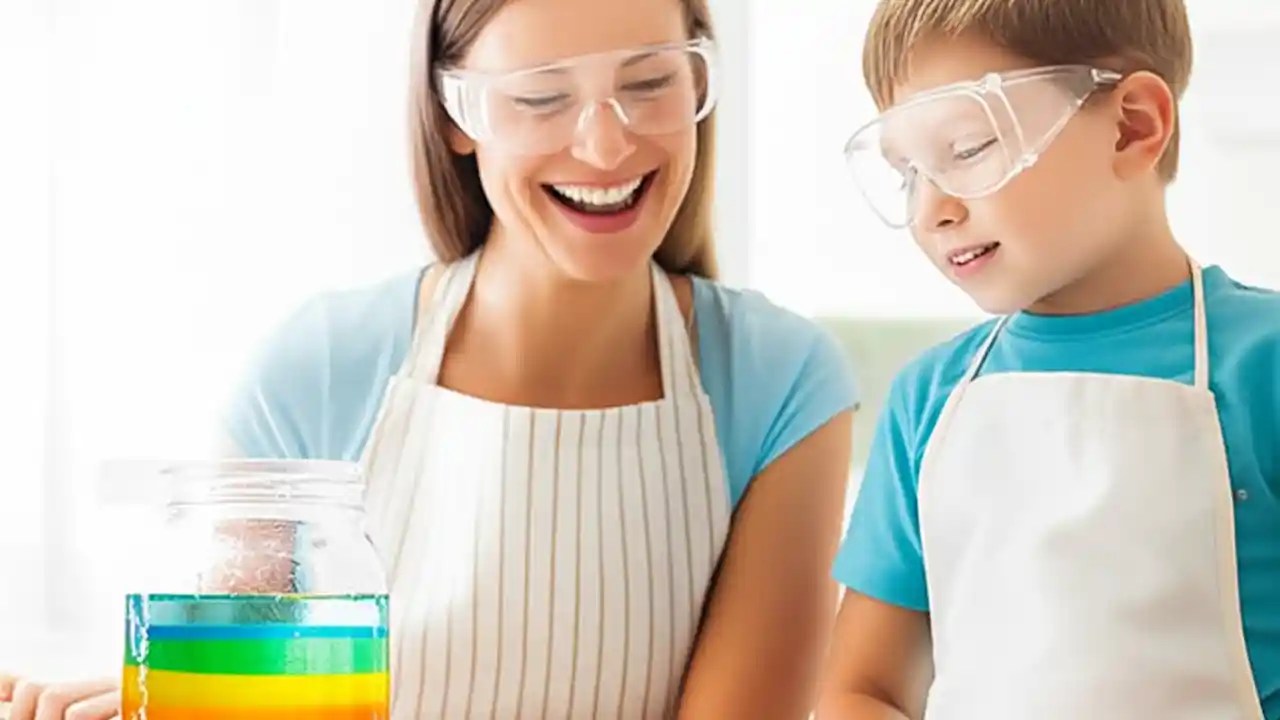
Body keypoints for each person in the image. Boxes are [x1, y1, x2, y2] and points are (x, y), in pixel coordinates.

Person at [1, 0, 860, 717]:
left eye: (648, 83)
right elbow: (233, 701)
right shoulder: (317, 369)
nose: (606, 147)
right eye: (539, 97)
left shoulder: (783, 383)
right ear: (454, 114)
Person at [815, 0, 1280, 718]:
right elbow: (862, 687)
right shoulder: (929, 401)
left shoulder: (1265, 363)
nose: (931, 208)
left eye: (968, 149)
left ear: (1133, 127)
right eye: (908, 172)